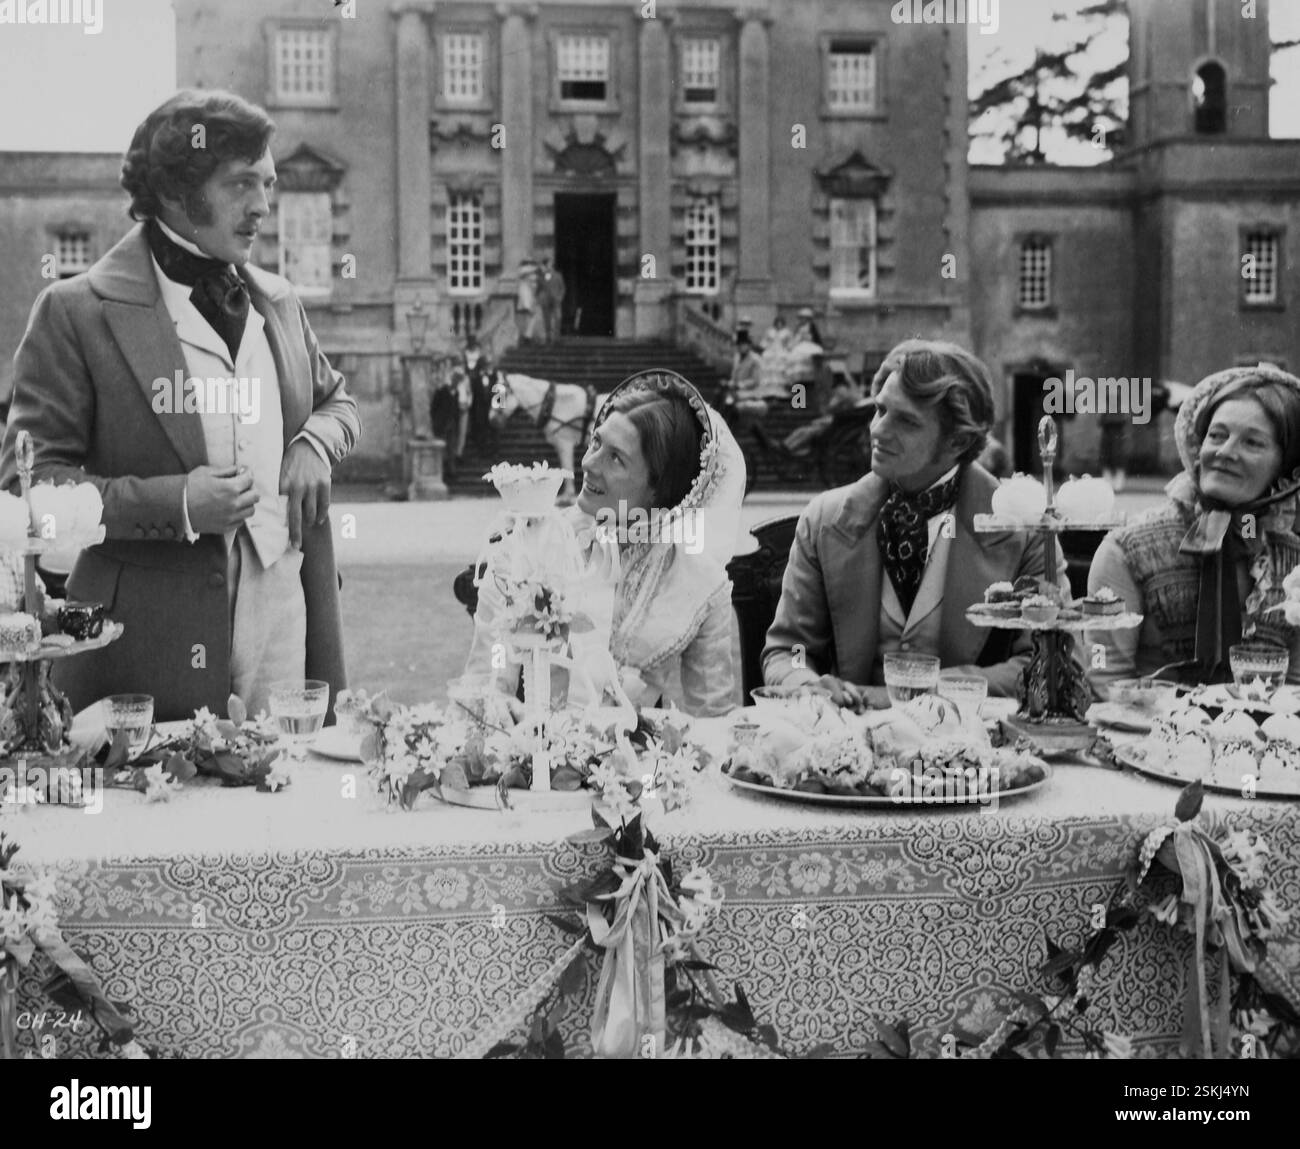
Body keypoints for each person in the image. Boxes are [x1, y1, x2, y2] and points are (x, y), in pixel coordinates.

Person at [0, 89, 361, 722]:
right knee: (168, 803)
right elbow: (30, 493)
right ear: (174, 191)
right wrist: (180, 503)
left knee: (289, 800)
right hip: (146, 637)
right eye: (241, 184)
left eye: (268, 183)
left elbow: (337, 401)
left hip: (285, 611)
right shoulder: (73, 312)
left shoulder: (278, 300)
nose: (262, 207)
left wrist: (313, 444)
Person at [763, 339, 1068, 708]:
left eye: (905, 421)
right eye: (880, 410)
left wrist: (922, 694)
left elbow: (1046, 664)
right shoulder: (824, 521)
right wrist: (802, 682)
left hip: (973, 750)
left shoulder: (1023, 530)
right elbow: (789, 649)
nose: (877, 430)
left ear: (956, 441)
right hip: (850, 745)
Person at [465, 370, 746, 716]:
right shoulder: (527, 542)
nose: (587, 463)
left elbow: (713, 719)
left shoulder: (702, 585)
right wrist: (498, 702)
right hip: (534, 758)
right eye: (596, 442)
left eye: (616, 458)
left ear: (661, 490)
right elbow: (486, 678)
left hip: (639, 766)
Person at [1087, 364, 1300, 693]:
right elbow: (1102, 673)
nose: (1225, 452)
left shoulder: (1293, 564)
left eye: (1253, 443)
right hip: (1148, 739)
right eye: (1217, 435)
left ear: (1286, 467)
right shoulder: (1126, 551)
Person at [539, 256, 565, 343]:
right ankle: (548, 336)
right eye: (548, 264)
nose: (550, 266)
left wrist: (560, 297)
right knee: (547, 319)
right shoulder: (543, 276)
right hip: (546, 300)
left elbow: (562, 288)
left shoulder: (558, 275)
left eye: (550, 264)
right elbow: (540, 288)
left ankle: (557, 337)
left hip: (556, 300)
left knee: (558, 318)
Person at [516, 257, 540, 343]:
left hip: (530, 296)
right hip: (526, 297)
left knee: (530, 316)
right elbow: (523, 274)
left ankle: (527, 336)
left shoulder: (530, 273)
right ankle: (526, 336)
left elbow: (534, 283)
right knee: (529, 315)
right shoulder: (524, 271)